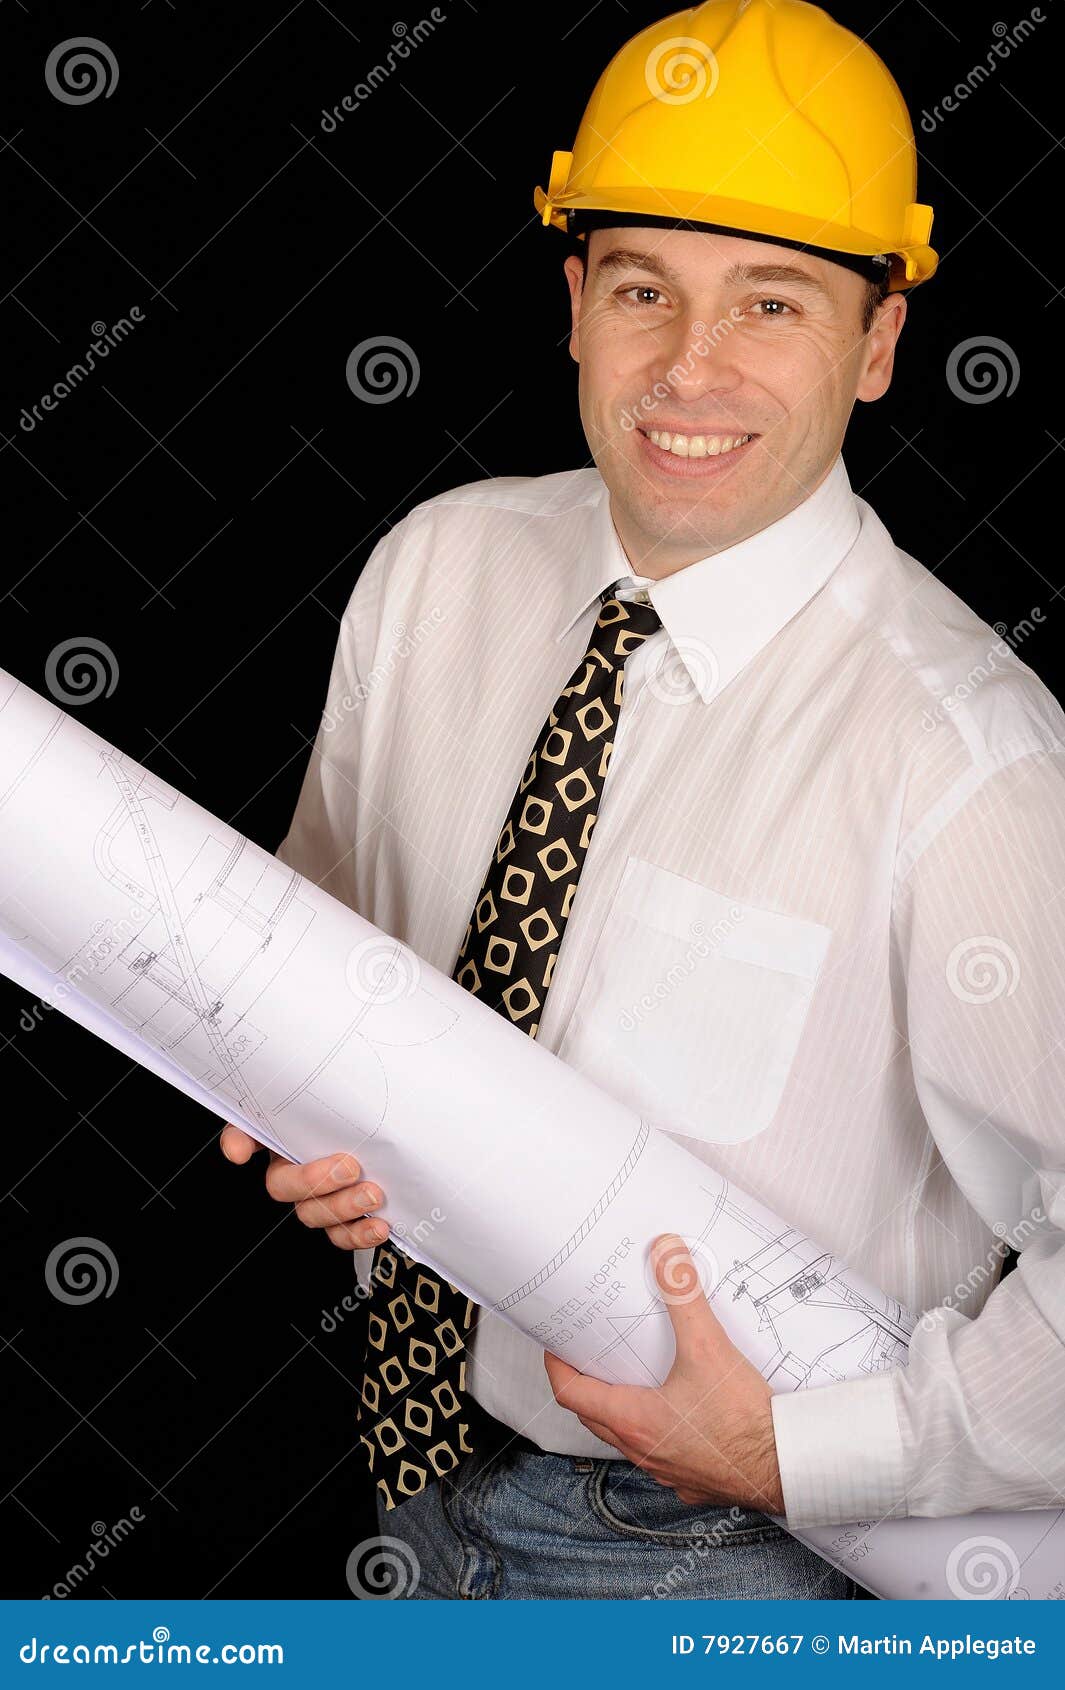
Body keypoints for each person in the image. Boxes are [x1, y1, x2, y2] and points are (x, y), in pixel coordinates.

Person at [221, 0, 1065, 1599]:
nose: (689, 363)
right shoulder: (437, 570)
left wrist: (804, 1454)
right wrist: (290, 1093)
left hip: (739, 1547)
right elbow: (315, 944)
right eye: (640, 289)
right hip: (409, 1473)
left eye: (771, 302)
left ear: (877, 342)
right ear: (573, 305)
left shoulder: (964, 758)